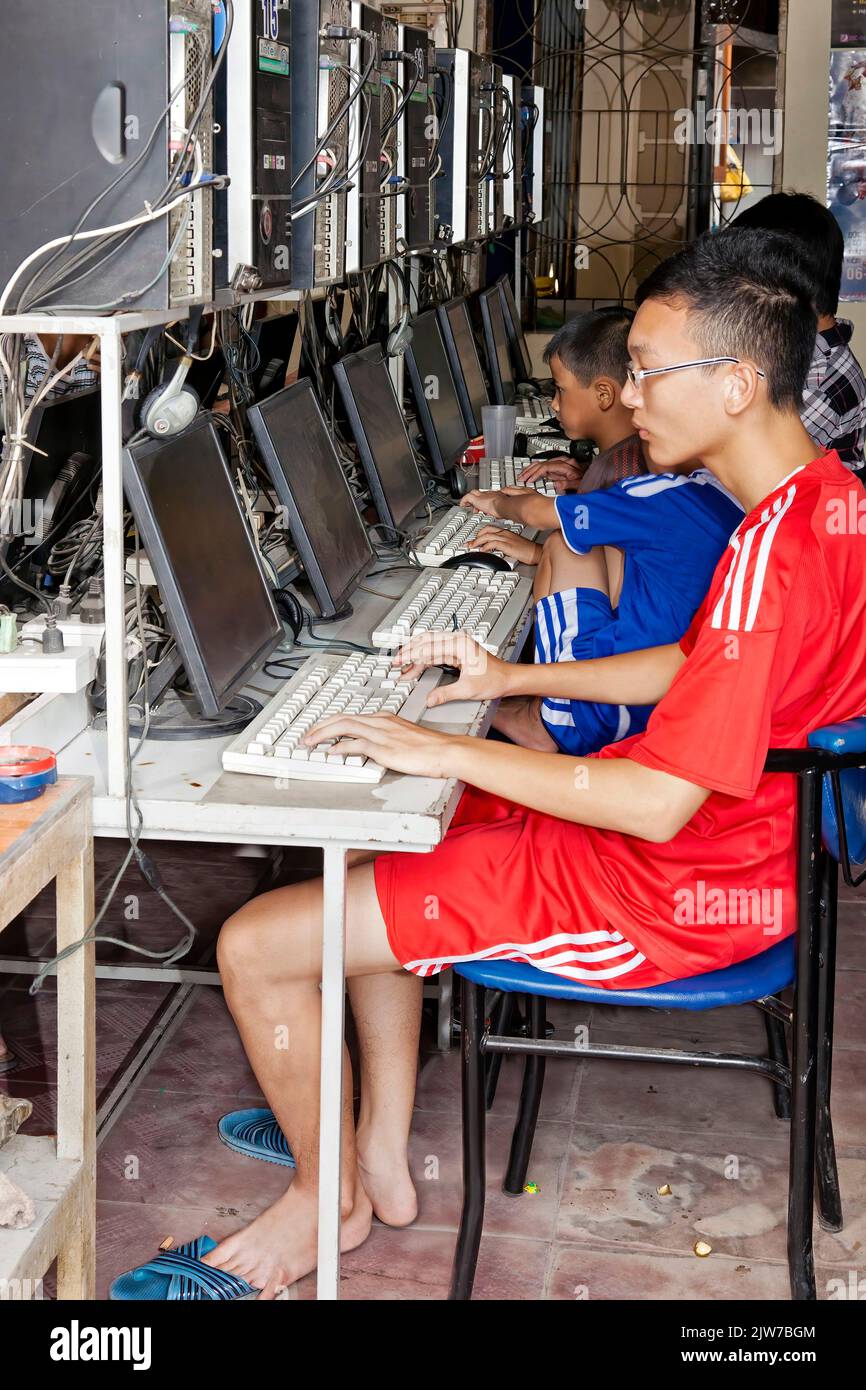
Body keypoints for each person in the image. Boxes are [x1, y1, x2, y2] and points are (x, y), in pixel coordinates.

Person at [151, 228, 866, 1298]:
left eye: (647, 371)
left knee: (256, 943)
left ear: (736, 384)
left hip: (666, 891)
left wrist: (444, 745)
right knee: (395, 836)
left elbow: (656, 802)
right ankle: (378, 1155)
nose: (627, 394)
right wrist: (505, 685)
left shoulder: (770, 546)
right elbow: (686, 665)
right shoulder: (821, 503)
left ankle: (324, 1203)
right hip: (733, 853)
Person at [731, 191, 866, 473]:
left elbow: (750, 456)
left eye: (748, 280)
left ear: (789, 283)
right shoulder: (790, 345)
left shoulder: (828, 377)